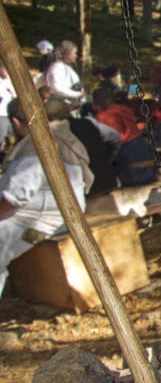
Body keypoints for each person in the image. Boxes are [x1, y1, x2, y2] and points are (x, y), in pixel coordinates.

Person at [0, 98, 93, 295]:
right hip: (59, 213)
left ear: (16, 123)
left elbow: (15, 198)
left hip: (44, 221)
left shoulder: (36, 147)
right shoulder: (60, 135)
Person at [45, 98, 119, 196]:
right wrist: (108, 159)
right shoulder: (88, 122)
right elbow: (115, 138)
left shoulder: (53, 133)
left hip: (87, 189)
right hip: (110, 181)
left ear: (49, 117)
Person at [91, 87, 156, 186]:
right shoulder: (124, 109)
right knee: (148, 176)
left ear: (96, 103)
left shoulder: (101, 116)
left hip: (126, 152)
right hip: (142, 145)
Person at [45, 40, 84, 105]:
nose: (75, 56)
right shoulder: (57, 67)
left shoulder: (66, 67)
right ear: (67, 53)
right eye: (74, 53)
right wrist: (77, 94)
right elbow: (56, 88)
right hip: (62, 105)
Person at [0, 61, 16, 145]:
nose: (8, 72)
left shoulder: (8, 81)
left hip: (10, 114)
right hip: (1, 114)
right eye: (6, 70)